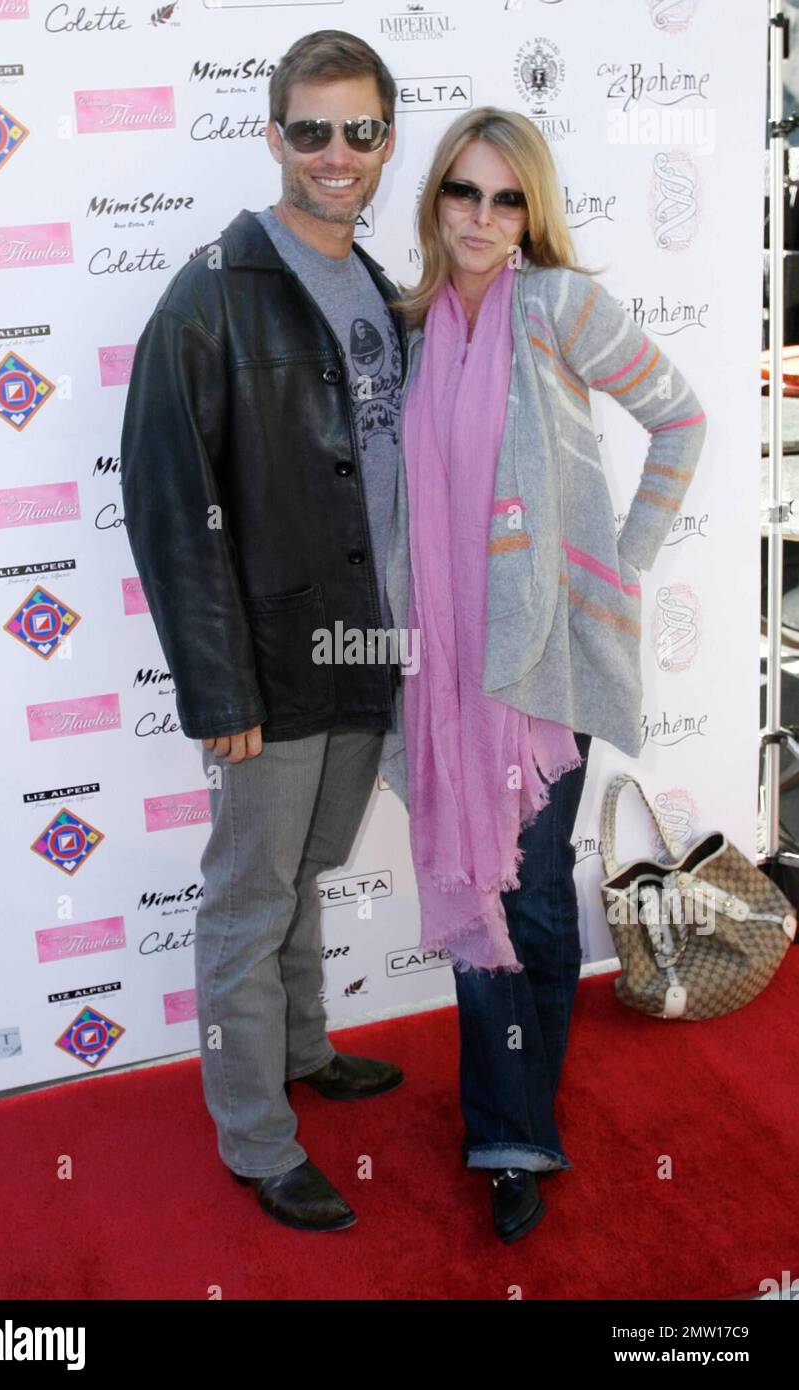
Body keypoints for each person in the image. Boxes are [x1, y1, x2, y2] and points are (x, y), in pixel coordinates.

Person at [379, 107, 707, 1243]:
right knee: (477, 883)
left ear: (533, 209)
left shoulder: (561, 307)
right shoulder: (411, 323)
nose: (480, 219)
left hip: (543, 663)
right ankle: (497, 1116)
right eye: (462, 194)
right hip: (442, 668)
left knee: (525, 891)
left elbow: (680, 418)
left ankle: (517, 1132)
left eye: (504, 197)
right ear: (435, 203)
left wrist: (621, 566)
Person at [119, 30, 409, 1234]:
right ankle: (253, 1133)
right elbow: (166, 503)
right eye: (310, 129)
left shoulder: (384, 287)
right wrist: (218, 689)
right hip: (269, 665)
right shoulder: (210, 294)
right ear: (274, 135)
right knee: (250, 895)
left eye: (359, 131)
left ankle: (301, 1046)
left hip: (366, 649)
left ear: (386, 140)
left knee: (303, 875)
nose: (335, 155)